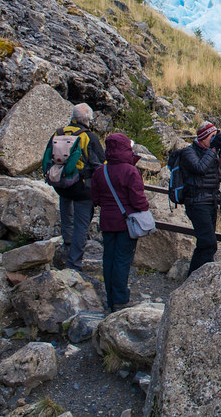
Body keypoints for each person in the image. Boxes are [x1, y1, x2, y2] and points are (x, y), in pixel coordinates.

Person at [90, 133, 149, 312]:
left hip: (107, 220)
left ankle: (110, 298)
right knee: (122, 260)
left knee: (108, 258)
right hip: (126, 222)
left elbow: (95, 198)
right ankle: (120, 299)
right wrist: (145, 208)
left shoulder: (101, 171)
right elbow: (138, 200)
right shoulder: (130, 171)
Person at [44, 103, 105, 271]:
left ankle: (67, 247)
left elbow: (49, 156)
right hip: (82, 188)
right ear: (88, 120)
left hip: (61, 184)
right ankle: (74, 264)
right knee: (81, 225)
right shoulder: (88, 137)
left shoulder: (58, 133)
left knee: (67, 217)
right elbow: (100, 164)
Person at [179, 121, 221, 275]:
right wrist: (213, 149)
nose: (214, 139)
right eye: (212, 136)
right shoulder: (188, 152)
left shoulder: (213, 152)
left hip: (211, 202)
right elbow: (200, 168)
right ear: (203, 137)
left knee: (205, 244)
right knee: (208, 243)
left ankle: (199, 278)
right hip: (196, 202)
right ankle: (195, 280)